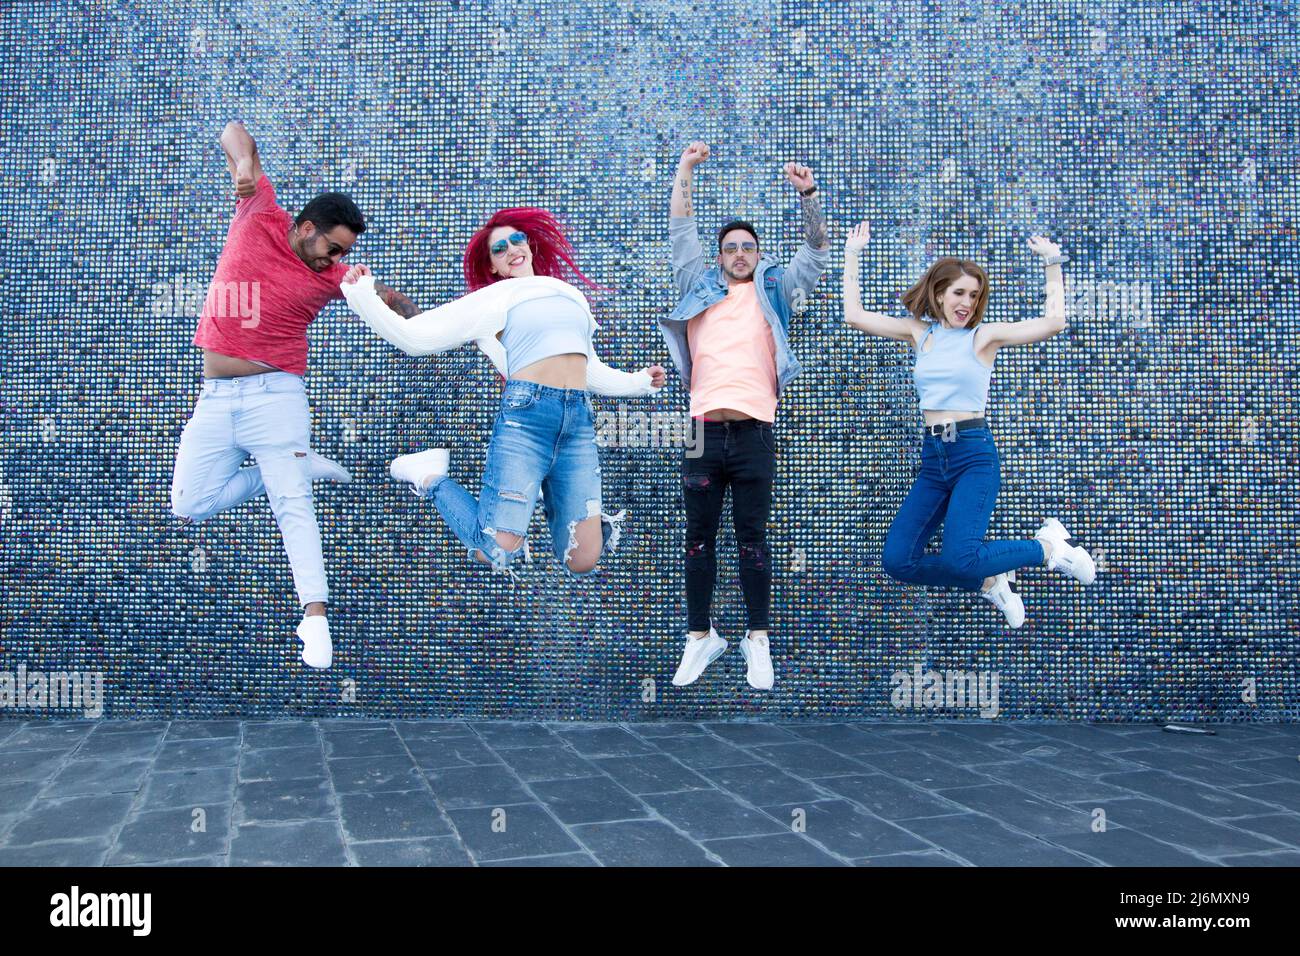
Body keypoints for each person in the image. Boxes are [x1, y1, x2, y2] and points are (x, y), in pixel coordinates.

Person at [169, 121, 417, 670]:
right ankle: (297, 466)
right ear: (305, 228)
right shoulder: (260, 212)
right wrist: (239, 166)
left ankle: (316, 619)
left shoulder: (336, 277)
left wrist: (428, 318)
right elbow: (236, 134)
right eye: (331, 248)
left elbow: (387, 297)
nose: (334, 261)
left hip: (275, 399)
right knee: (188, 503)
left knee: (292, 508)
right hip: (214, 398)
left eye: (343, 253)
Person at [340, 207, 665, 579]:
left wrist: (638, 381)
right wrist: (361, 295)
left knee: (583, 559)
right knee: (495, 551)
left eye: (516, 240)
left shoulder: (571, 296)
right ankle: (430, 477)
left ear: (529, 245)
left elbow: (588, 369)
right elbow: (415, 338)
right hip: (526, 419)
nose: (511, 249)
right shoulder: (496, 297)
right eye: (499, 249)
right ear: (493, 265)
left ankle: (542, 493)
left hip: (577, 422)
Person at [842, 221, 1097, 627]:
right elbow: (854, 316)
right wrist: (852, 254)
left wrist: (1053, 264)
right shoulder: (918, 333)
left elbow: (1054, 324)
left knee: (961, 555)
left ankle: (1048, 548)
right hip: (934, 459)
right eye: (959, 292)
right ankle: (989, 582)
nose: (966, 302)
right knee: (898, 561)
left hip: (972, 455)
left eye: (974, 295)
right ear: (939, 294)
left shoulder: (983, 337)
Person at [660, 142, 830, 691]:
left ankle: (758, 640)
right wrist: (685, 170)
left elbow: (818, 251)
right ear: (718, 256)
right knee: (698, 538)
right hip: (701, 431)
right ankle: (699, 637)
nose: (739, 254)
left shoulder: (775, 289)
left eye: (747, 247)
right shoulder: (697, 286)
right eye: (730, 248)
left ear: (758, 255)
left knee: (752, 537)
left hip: (755, 430)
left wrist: (808, 195)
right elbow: (680, 230)